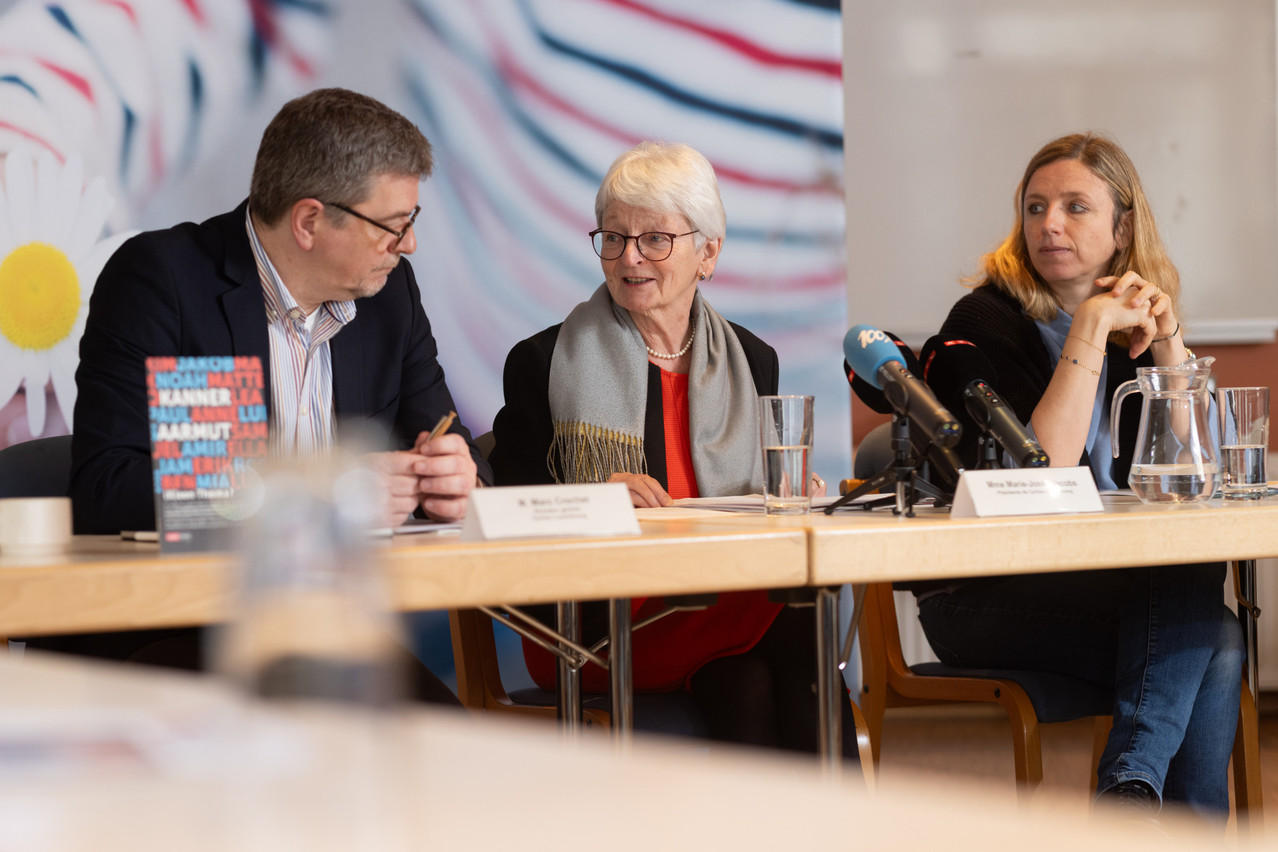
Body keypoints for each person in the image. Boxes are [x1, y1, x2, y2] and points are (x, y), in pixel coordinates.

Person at [62, 88, 490, 701]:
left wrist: (457, 481)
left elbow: (454, 447)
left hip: (324, 632)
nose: (409, 245)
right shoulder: (162, 281)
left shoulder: (388, 296)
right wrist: (326, 495)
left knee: (442, 741)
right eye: (393, 226)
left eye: (411, 221)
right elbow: (106, 492)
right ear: (309, 221)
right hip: (172, 630)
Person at [489, 140, 854, 757]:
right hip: (597, 623)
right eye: (614, 237)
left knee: (751, 675)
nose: (630, 257)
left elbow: (754, 494)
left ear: (707, 252)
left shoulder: (753, 359)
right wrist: (590, 497)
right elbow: (506, 504)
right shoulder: (542, 361)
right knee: (800, 625)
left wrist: (790, 495)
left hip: (720, 602)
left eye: (654, 239)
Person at [919, 132, 1243, 821]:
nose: (1049, 225)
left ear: (1123, 229)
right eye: (1035, 208)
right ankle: (1145, 807)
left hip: (1105, 584)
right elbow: (1041, 474)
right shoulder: (983, 322)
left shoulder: (1136, 327)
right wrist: (1089, 328)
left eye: (1075, 207)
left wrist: (1169, 343)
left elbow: (1201, 476)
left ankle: (1129, 797)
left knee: (1204, 605)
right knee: (1209, 641)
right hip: (982, 593)